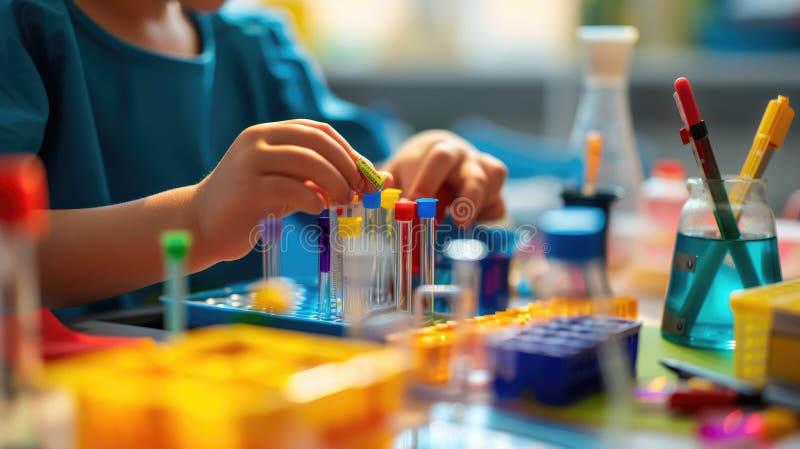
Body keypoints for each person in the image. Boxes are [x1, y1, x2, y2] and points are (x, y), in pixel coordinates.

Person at [0, 0, 507, 317]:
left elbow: (375, 178)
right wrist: (196, 221)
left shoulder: (257, 44)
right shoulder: (22, 29)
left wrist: (430, 163)